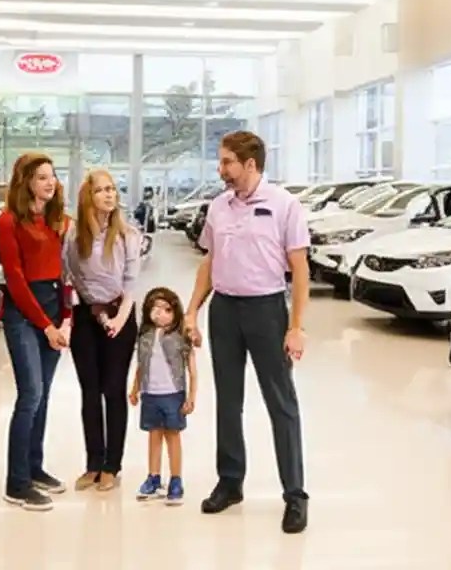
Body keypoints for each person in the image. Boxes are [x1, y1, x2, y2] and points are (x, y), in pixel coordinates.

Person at [183, 130, 310, 534]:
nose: (221, 169)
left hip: (267, 310)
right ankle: (230, 481)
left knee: (281, 403)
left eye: (227, 162)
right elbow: (209, 261)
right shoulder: (218, 206)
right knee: (228, 401)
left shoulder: (284, 204)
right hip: (224, 310)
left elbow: (300, 270)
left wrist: (296, 327)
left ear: (250, 164)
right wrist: (192, 310)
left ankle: (295, 495)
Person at [0, 152, 72, 511]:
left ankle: (34, 467)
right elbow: (15, 280)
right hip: (24, 316)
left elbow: (65, 273)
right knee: (31, 394)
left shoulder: (57, 220)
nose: (50, 182)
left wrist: (65, 319)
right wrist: (45, 325)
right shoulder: (9, 221)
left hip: (54, 314)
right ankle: (17, 483)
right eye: (42, 177)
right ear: (25, 181)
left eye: (52, 176)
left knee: (43, 396)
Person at [62, 169, 141, 492]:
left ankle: (112, 465)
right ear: (88, 197)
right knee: (90, 391)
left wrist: (118, 318)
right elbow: (70, 276)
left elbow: (131, 282)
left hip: (120, 314)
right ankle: (94, 463)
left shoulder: (127, 235)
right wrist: (88, 310)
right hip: (87, 316)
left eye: (112, 189)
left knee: (113, 389)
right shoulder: (74, 236)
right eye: (101, 190)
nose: (109, 195)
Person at [129, 286, 197, 506]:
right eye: (155, 308)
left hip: (173, 394)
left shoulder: (181, 338)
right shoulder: (145, 337)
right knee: (154, 436)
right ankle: (153, 477)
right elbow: (141, 365)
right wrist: (135, 388)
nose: (160, 314)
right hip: (150, 393)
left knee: (173, 436)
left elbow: (192, 370)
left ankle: (176, 479)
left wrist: (191, 396)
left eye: (167, 309)